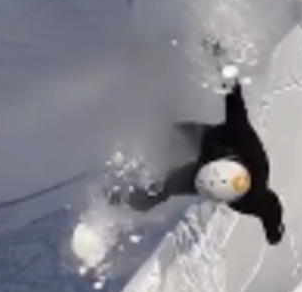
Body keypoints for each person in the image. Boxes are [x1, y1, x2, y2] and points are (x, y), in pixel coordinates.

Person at [110, 80, 286, 245]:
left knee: (157, 192)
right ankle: (131, 126)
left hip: (203, 174)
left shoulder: (246, 200)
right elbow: (234, 95)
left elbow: (268, 210)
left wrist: (273, 229)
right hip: (207, 141)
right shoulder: (242, 137)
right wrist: (225, 67)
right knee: (165, 138)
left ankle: (115, 196)